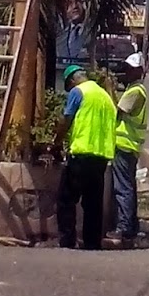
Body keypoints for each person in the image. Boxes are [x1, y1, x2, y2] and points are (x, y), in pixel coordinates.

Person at [54, 62, 117, 250]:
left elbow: (67, 119)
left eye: (68, 85)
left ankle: (67, 241)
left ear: (73, 80)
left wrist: (57, 141)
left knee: (66, 200)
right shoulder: (104, 96)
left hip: (81, 155)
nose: (69, 89)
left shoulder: (79, 92)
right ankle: (92, 243)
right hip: (101, 158)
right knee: (93, 204)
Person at [111, 52, 149, 247]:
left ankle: (124, 228)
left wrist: (109, 91)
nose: (126, 72)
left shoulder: (135, 91)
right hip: (130, 146)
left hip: (124, 146)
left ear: (139, 71)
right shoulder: (135, 90)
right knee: (129, 188)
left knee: (123, 189)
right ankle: (131, 227)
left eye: (131, 69)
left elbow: (118, 111)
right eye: (126, 69)